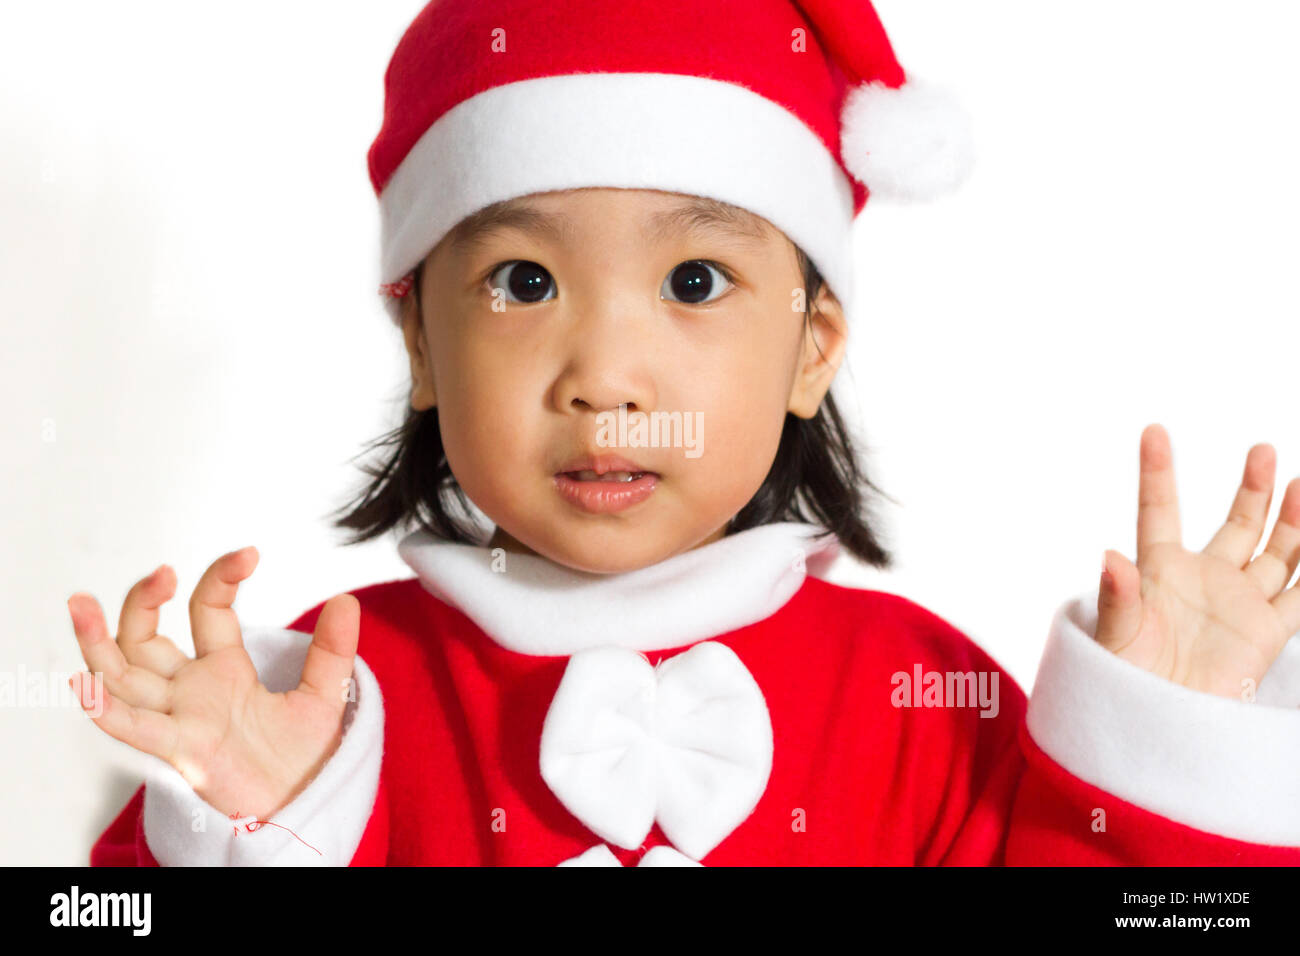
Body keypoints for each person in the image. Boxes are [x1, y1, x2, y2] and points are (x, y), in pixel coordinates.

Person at [70, 0, 1300, 866]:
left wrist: (1160, 768)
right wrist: (260, 819)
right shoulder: (325, 702)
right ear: (423, 346)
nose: (606, 377)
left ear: (813, 345)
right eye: (523, 282)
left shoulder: (927, 700)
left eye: (697, 280)